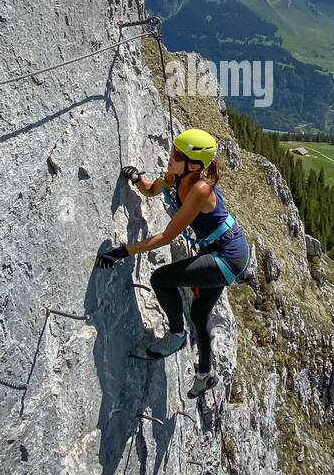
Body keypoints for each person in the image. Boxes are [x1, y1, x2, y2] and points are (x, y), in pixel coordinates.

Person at [95, 128, 251, 398]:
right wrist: (137, 178)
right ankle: (205, 374)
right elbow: (153, 189)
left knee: (161, 279)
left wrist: (123, 251)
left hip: (227, 257)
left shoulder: (201, 189)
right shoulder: (178, 175)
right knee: (200, 315)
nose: (171, 156)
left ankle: (177, 335)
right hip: (221, 249)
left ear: (194, 164)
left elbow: (168, 236)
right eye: (173, 151)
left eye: (177, 154)